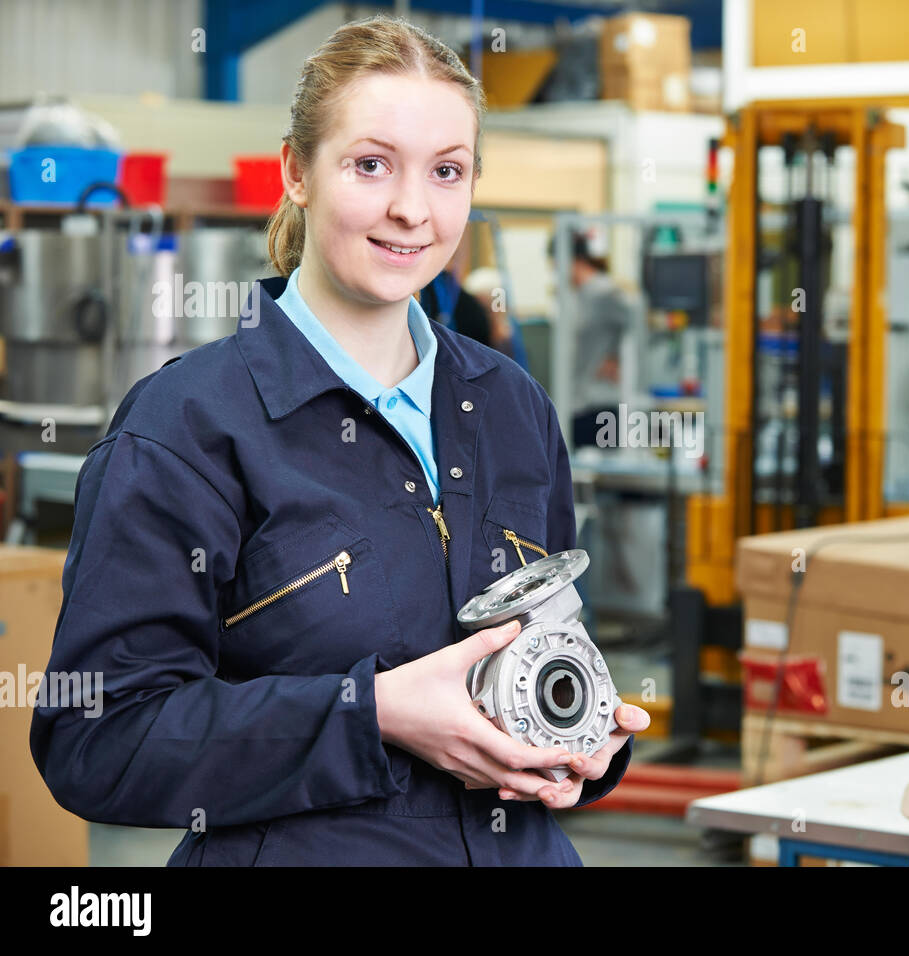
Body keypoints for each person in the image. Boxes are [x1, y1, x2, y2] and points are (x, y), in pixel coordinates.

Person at [30, 14, 648, 867]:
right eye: (371, 164)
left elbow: (559, 649)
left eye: (446, 171)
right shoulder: (189, 426)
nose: (412, 209)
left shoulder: (513, 406)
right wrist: (371, 714)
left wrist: (582, 740)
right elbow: (97, 738)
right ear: (297, 172)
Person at [552, 233, 634, 447]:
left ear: (575, 261)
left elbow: (637, 324)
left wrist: (614, 355)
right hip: (577, 401)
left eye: (556, 266)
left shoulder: (604, 292)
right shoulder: (576, 296)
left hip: (600, 402)